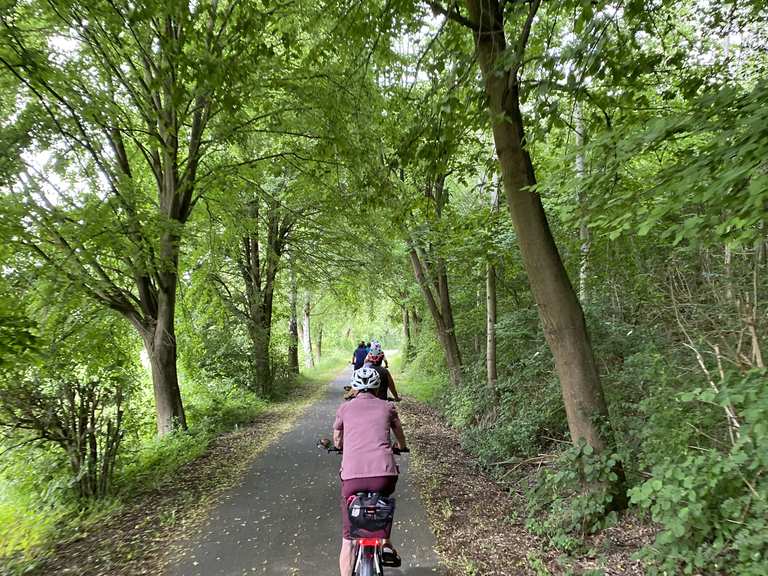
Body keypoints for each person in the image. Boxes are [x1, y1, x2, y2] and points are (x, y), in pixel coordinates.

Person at [333, 367, 407, 576]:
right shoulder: (387, 407)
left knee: (347, 540)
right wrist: (401, 447)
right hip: (383, 476)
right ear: (377, 387)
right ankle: (384, 542)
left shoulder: (345, 409)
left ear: (355, 387)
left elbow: (338, 439)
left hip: (352, 478)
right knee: (381, 502)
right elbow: (399, 435)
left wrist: (340, 447)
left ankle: (354, 543)